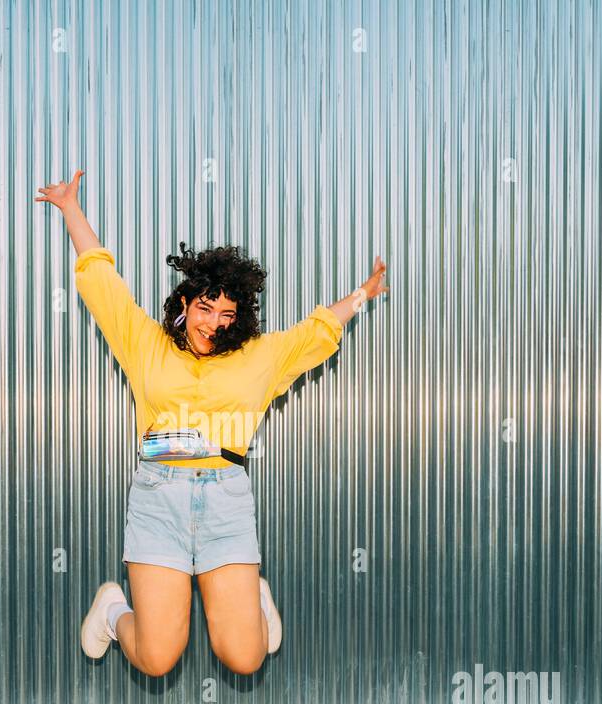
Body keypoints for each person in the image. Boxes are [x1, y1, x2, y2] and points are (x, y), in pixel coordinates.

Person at [36, 169, 388, 676]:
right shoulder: (145, 344)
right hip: (160, 496)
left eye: (226, 315)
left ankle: (253, 603)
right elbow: (101, 283)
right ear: (185, 303)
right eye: (205, 309)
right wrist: (71, 209)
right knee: (157, 659)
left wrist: (361, 295)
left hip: (225, 498)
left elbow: (319, 331)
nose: (214, 324)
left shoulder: (259, 357)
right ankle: (114, 609)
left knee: (245, 658)